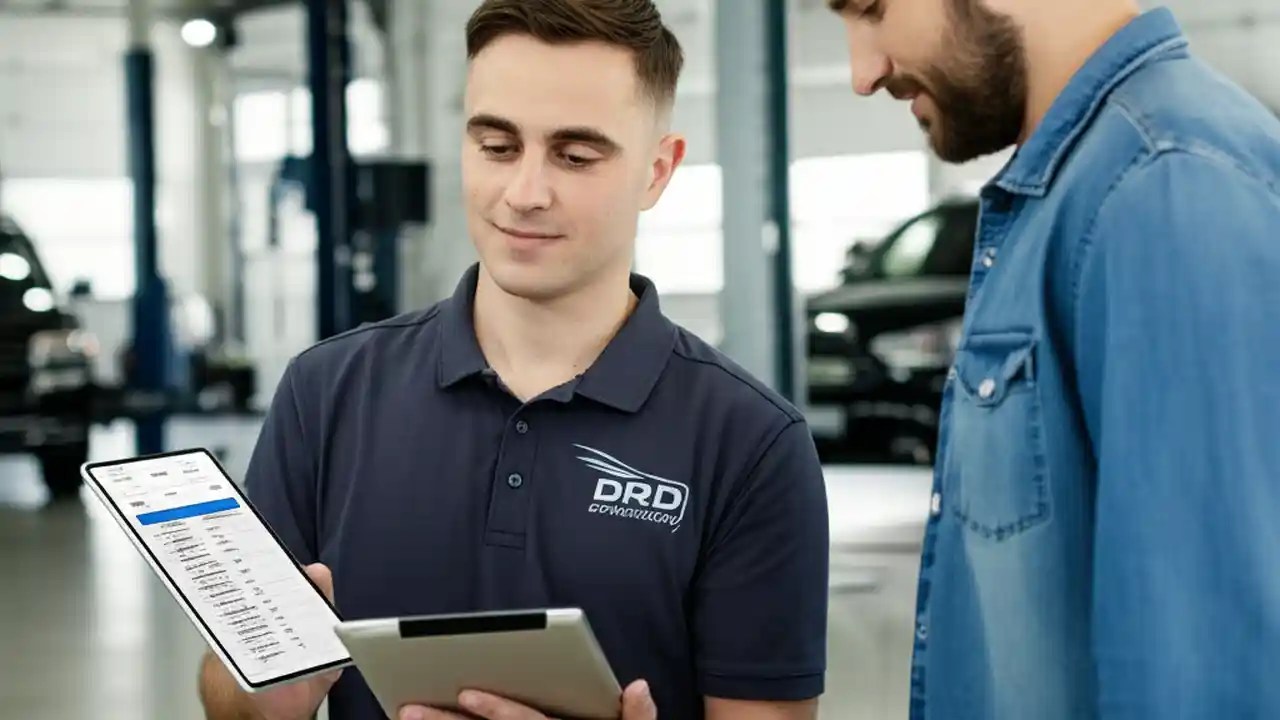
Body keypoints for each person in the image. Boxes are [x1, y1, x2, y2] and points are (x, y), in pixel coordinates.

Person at [198, 1, 831, 719]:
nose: (524, 194)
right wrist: (269, 690)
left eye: (575, 155)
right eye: (497, 146)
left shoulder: (748, 443)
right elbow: (234, 701)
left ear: (657, 171)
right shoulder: (327, 394)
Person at [829, 0, 1280, 717]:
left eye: (871, 7)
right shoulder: (1077, 191)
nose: (862, 71)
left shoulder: (1165, 187)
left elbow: (1204, 674)